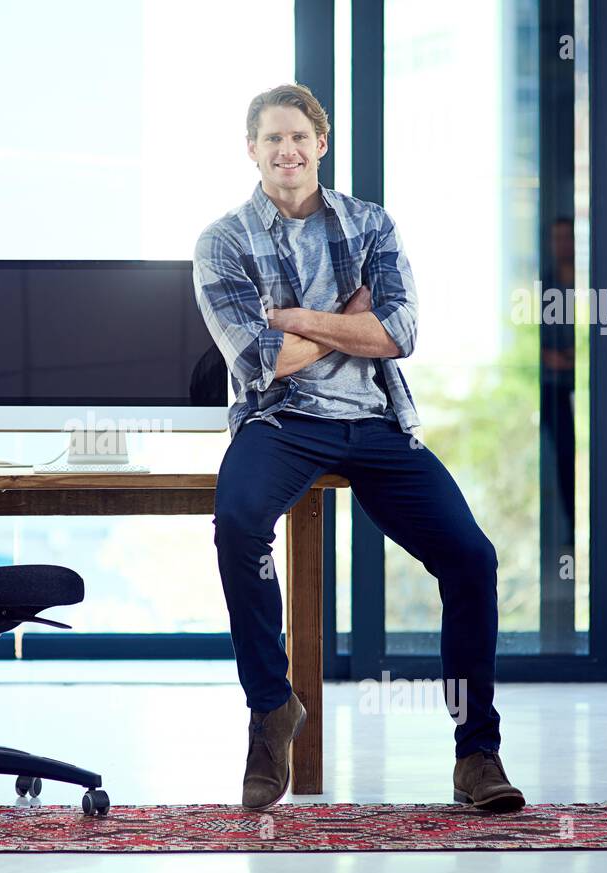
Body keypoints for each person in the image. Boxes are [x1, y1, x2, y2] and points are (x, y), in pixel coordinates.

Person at [192, 83, 524, 813]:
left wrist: (298, 319)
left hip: (376, 423)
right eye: (271, 139)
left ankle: (478, 755)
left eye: (298, 137)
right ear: (252, 149)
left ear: (322, 144)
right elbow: (256, 360)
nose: (286, 150)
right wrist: (345, 319)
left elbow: (399, 335)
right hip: (279, 422)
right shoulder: (222, 242)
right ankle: (271, 709)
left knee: (472, 558)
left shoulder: (372, 225)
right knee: (239, 528)